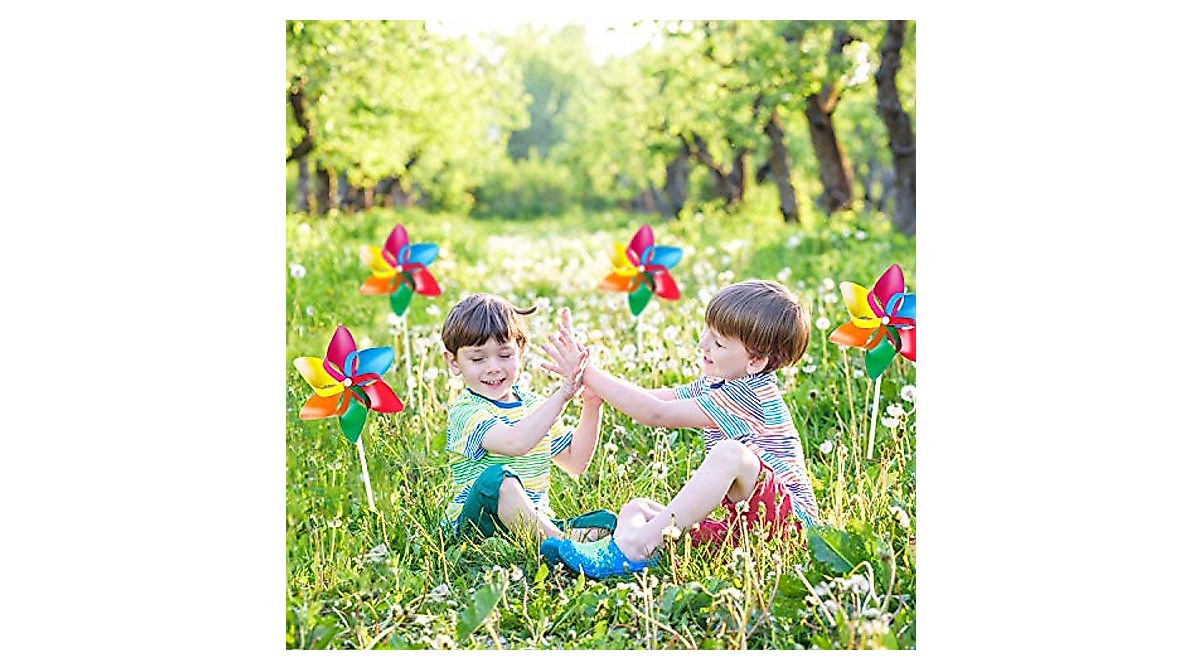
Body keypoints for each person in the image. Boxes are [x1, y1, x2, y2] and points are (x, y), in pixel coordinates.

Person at [540, 280, 820, 578]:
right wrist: (593, 385)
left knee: (731, 454)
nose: (704, 344)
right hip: (745, 529)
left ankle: (636, 548)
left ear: (757, 361)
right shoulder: (719, 383)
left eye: (719, 342)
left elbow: (656, 413)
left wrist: (588, 373)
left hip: (793, 527)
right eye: (707, 332)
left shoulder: (749, 393)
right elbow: (651, 398)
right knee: (638, 509)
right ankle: (622, 556)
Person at [441, 293, 615, 544]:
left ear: (520, 351)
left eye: (504, 355)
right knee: (499, 480)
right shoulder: (465, 410)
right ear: (454, 362)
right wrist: (563, 394)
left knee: (606, 523)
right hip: (478, 527)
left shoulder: (535, 407)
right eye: (478, 358)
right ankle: (564, 546)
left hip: (531, 524)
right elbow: (515, 443)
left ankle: (555, 539)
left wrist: (591, 404)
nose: (493, 367)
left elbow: (575, 463)